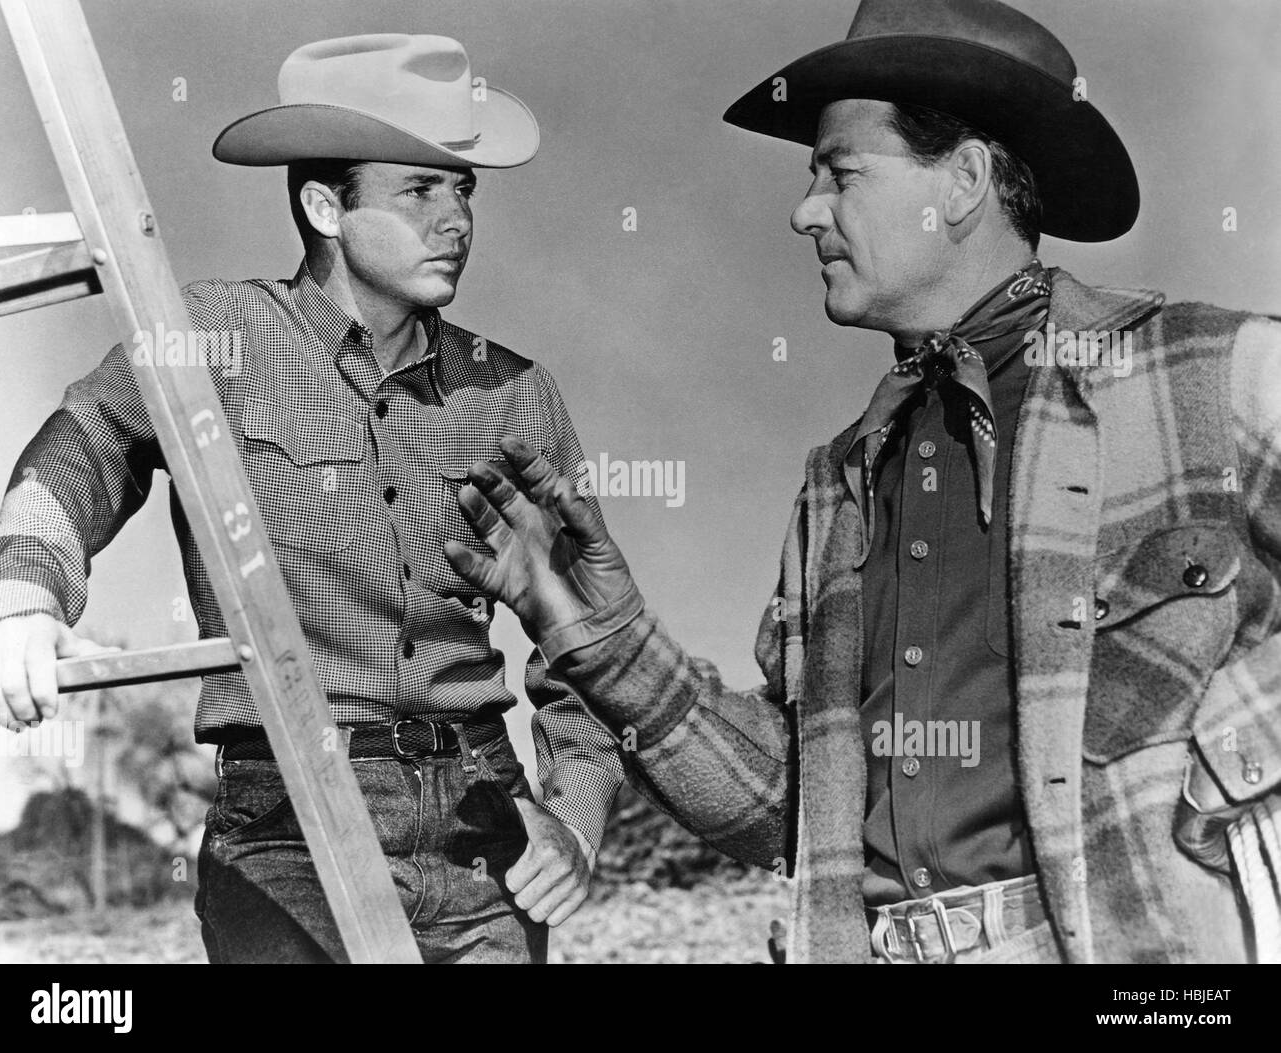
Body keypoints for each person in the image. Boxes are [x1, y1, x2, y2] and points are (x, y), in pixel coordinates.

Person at [441, 0, 1281, 963]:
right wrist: (602, 638)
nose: (805, 212)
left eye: (840, 174)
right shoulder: (840, 484)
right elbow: (790, 811)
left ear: (962, 181)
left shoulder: (1208, 377)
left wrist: (1227, 770)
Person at [0, 33, 622, 964]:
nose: (457, 220)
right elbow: (82, 445)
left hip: (485, 820)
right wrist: (21, 601)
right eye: (419, 189)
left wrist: (572, 818)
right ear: (325, 205)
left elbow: (592, 632)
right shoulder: (215, 334)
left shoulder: (514, 392)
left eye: (464, 189)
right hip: (286, 820)